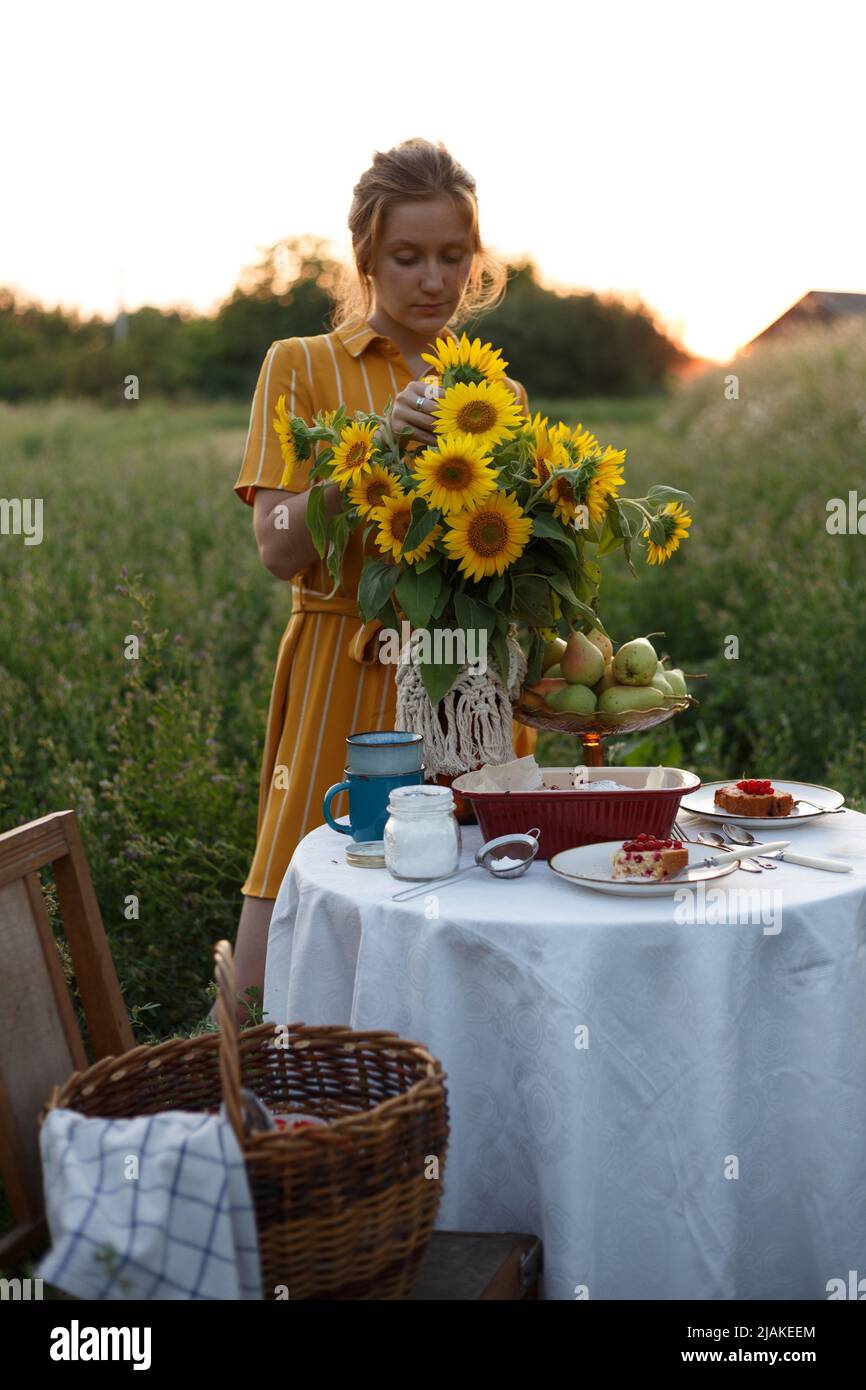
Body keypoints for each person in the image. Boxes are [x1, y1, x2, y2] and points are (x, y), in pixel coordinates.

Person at [231, 137, 538, 1016]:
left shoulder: (498, 395)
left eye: (452, 257)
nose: (433, 280)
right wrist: (377, 458)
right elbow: (278, 545)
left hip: (470, 678)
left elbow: (514, 554)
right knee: (297, 872)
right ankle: (260, 1068)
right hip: (344, 664)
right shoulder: (303, 366)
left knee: (485, 886)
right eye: (408, 257)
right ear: (367, 257)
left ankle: (446, 1096)